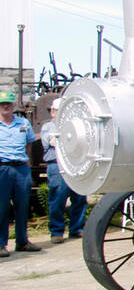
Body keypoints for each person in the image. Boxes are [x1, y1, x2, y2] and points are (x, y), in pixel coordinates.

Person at [0, 90, 42, 257]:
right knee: (2, 207)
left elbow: (29, 145)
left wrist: (24, 163)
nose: (5, 107)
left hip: (21, 169)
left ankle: (22, 242)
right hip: (2, 168)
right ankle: (1, 244)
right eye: (2, 104)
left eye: (8, 103)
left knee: (23, 206)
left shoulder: (24, 123)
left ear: (14, 105)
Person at [40, 98, 86, 243]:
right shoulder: (48, 127)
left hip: (76, 164)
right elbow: (53, 142)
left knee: (79, 198)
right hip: (57, 165)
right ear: (53, 112)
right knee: (57, 199)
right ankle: (57, 231)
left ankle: (77, 228)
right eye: (58, 111)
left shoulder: (77, 125)